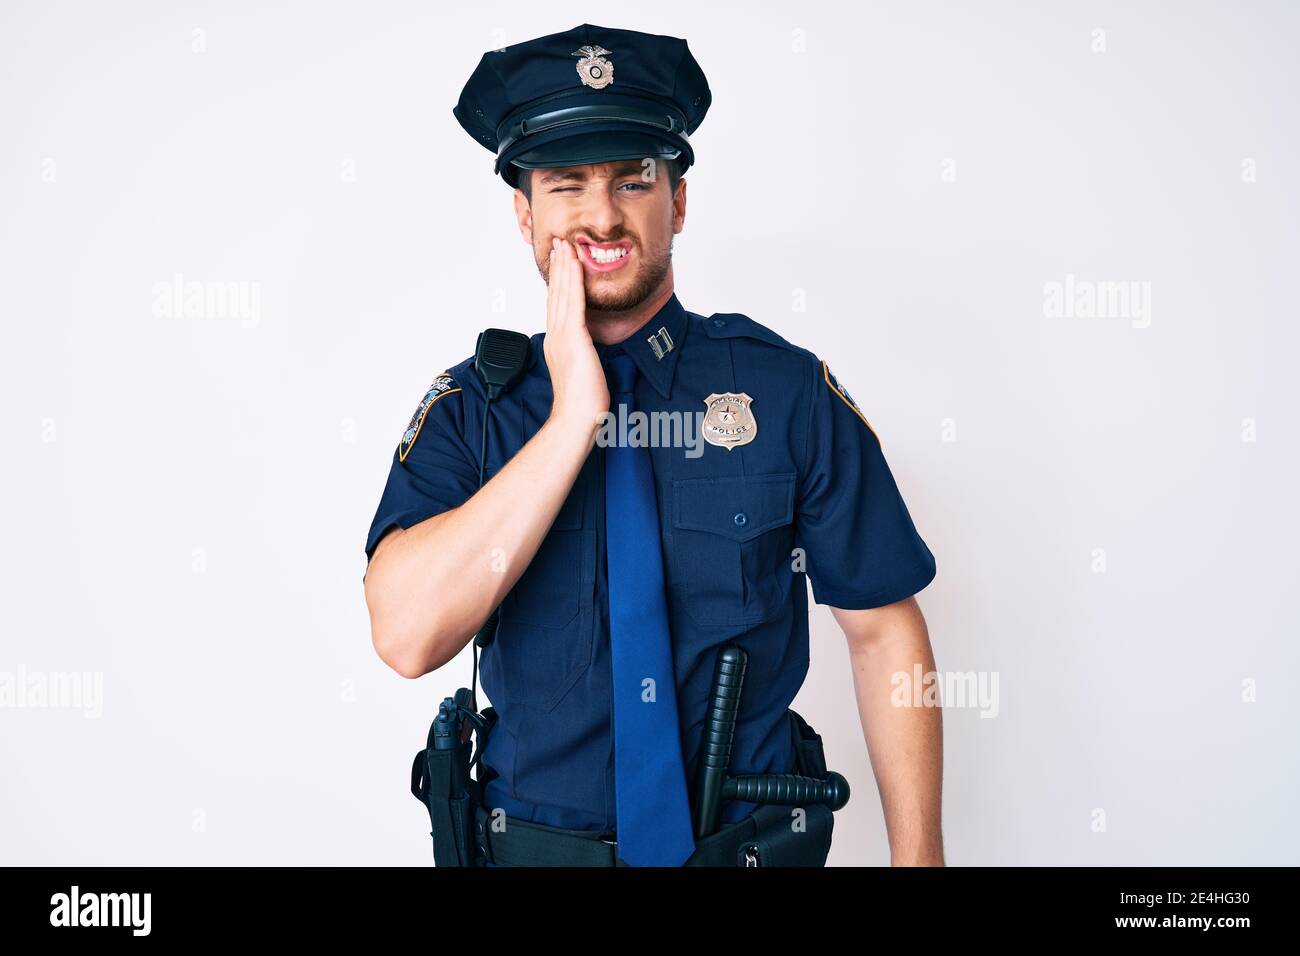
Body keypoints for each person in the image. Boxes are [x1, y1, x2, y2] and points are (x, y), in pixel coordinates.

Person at [363, 23, 942, 866]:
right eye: (567, 185)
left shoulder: (784, 393)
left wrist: (920, 861)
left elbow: (884, 631)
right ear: (525, 215)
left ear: (677, 200)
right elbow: (406, 636)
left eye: (634, 179)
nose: (603, 214)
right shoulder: (471, 410)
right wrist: (571, 420)